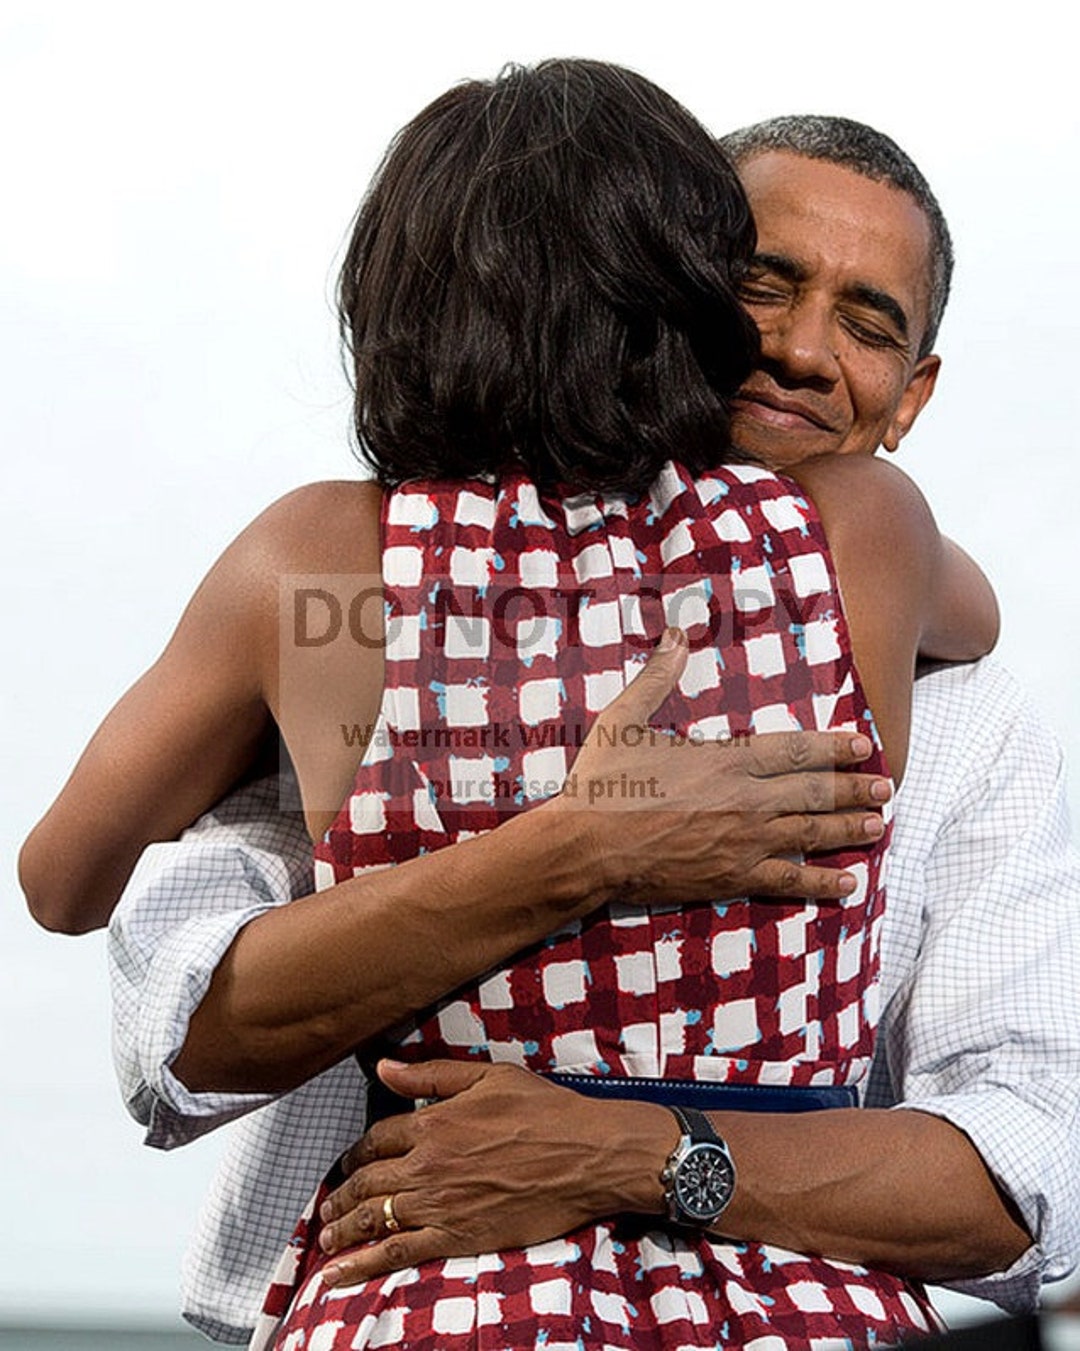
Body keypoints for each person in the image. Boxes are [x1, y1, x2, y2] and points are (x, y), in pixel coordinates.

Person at [17, 83, 1072, 1341]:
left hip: (414, 1299)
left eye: (864, 321)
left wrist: (624, 1149)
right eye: (763, 284)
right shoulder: (871, 547)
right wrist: (590, 841)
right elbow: (176, 1041)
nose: (797, 348)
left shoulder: (334, 589)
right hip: (794, 1309)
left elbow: (1031, 1173)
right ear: (673, 297)